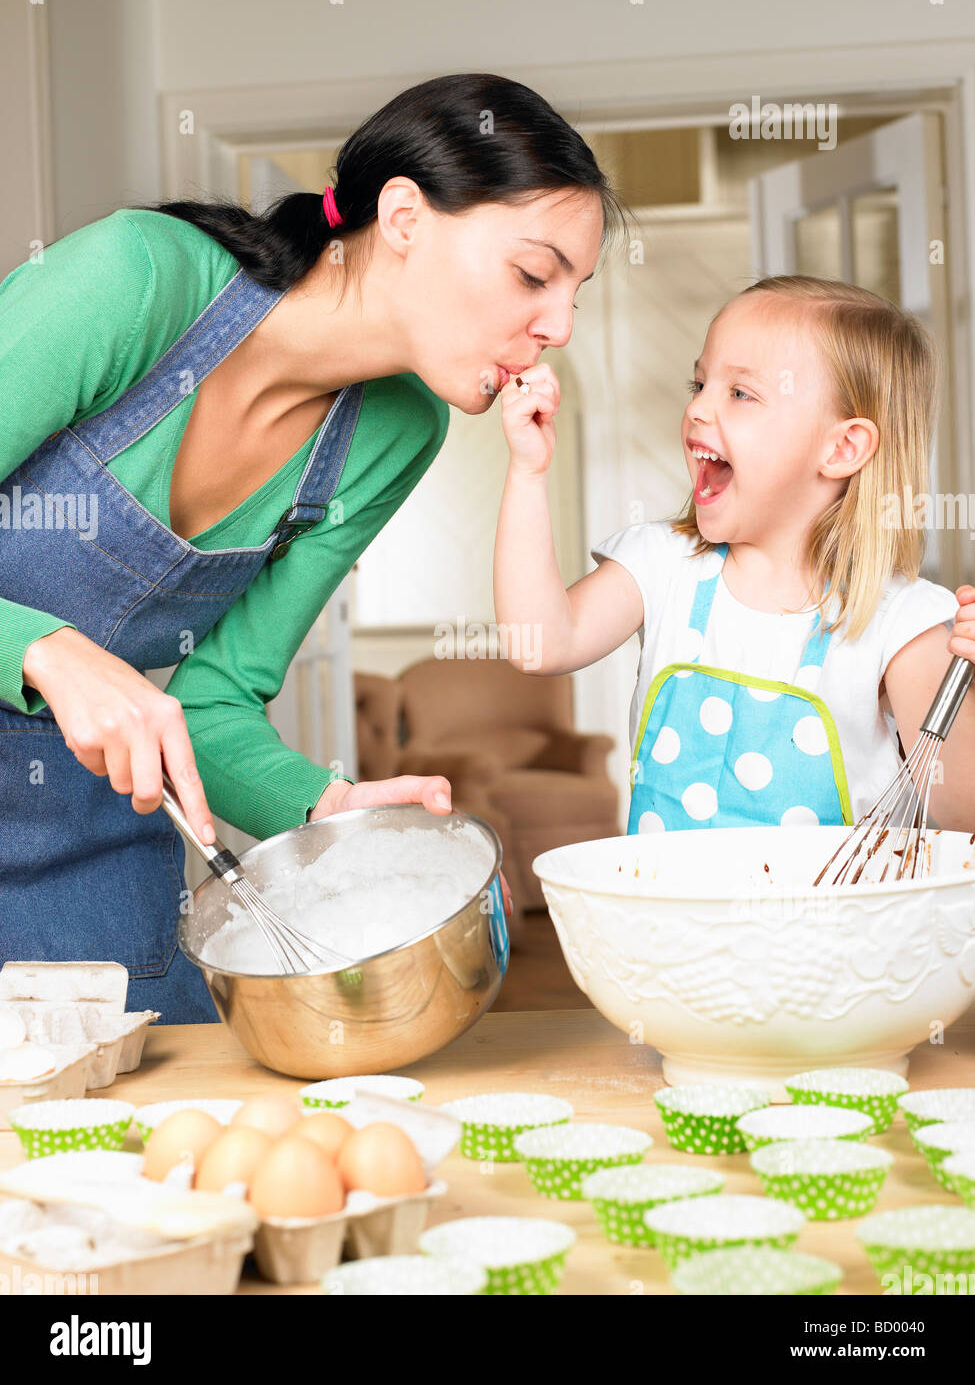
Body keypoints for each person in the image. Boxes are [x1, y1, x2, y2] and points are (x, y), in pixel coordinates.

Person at [0, 72, 625, 1021]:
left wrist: (320, 808)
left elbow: (210, 698)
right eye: (533, 275)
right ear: (405, 217)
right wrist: (43, 651)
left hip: (88, 858)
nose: (558, 327)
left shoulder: (395, 432)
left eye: (573, 293)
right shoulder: (137, 280)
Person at [494, 275, 975, 836]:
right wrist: (529, 472)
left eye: (740, 393)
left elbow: (960, 813)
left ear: (842, 448)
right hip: (667, 919)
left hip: (829, 926)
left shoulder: (901, 622)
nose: (698, 408)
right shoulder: (663, 565)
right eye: (698, 384)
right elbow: (539, 643)